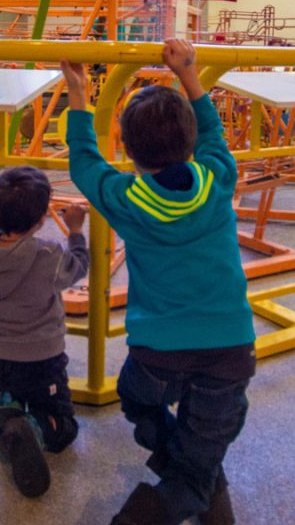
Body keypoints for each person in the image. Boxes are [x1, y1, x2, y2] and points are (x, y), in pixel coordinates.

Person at [60, 39, 256, 525]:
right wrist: (188, 73)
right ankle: (198, 475)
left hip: (156, 355)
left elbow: (84, 163)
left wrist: (78, 93)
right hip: (229, 349)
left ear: (128, 150)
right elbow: (213, 134)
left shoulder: (126, 198)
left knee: (137, 402)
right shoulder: (218, 178)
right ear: (189, 145)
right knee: (204, 445)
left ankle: (185, 483)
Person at [0, 166, 90, 499]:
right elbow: (78, 266)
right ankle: (33, 427)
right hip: (40, 362)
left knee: (13, 382)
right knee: (66, 427)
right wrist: (76, 230)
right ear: (41, 220)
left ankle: (8, 401)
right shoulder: (47, 254)